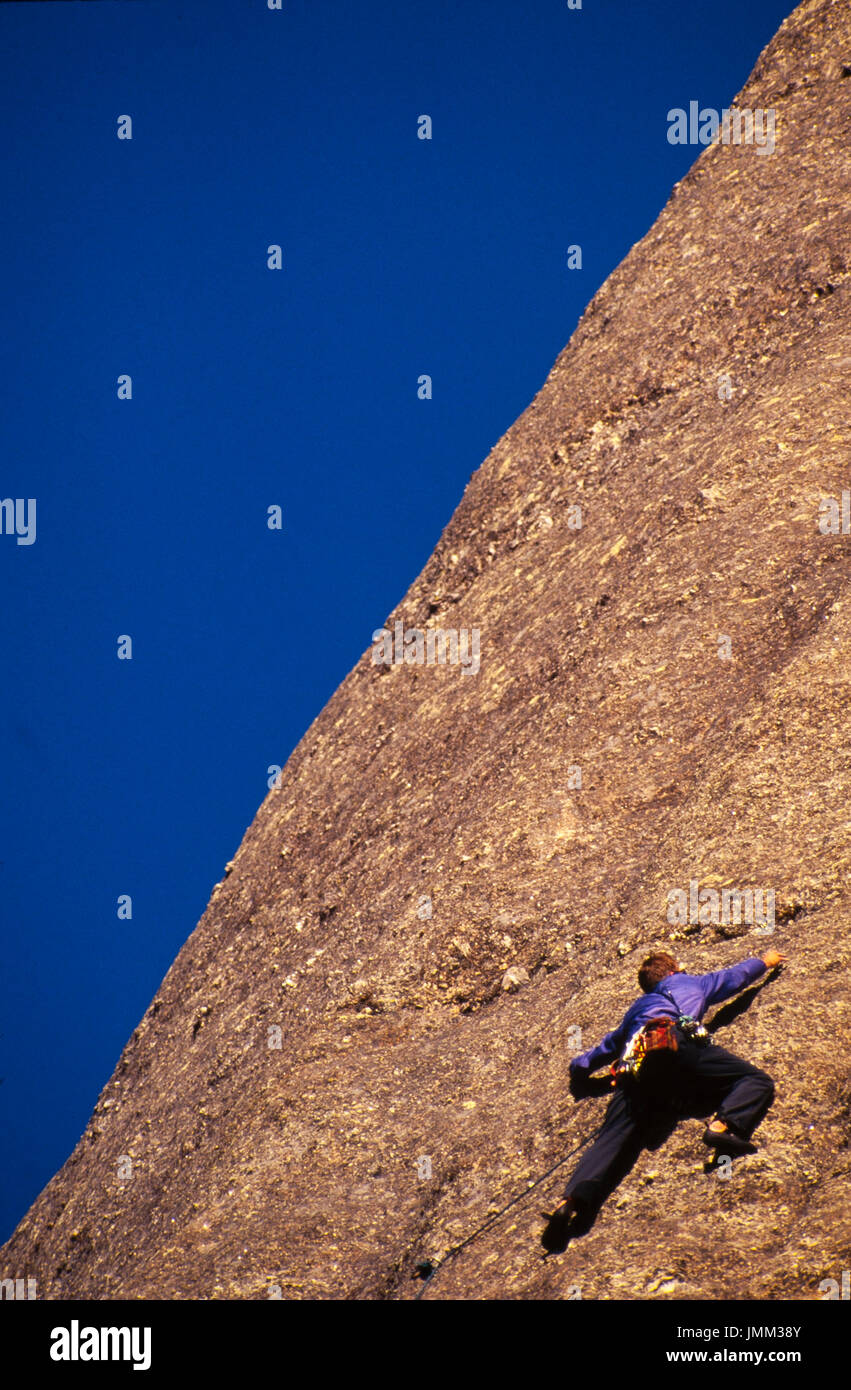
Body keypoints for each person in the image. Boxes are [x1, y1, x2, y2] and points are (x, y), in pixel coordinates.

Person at [541, 947, 786, 1252]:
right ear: (673, 970)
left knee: (610, 1139)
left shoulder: (637, 1007)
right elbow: (734, 977)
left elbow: (604, 1050)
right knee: (755, 1080)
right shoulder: (688, 983)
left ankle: (570, 1201)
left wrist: (579, 1069)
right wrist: (765, 961)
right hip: (673, 1047)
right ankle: (723, 1126)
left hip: (636, 1070)